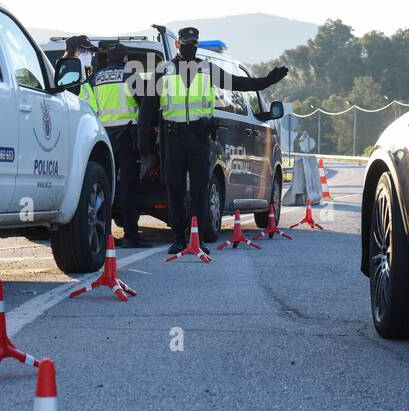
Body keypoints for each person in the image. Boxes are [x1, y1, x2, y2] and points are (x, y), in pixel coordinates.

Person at [144, 26, 288, 254]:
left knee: (200, 190)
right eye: (186, 42)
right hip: (174, 139)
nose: (190, 46)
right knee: (176, 190)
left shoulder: (206, 69)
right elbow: (148, 106)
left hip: (200, 139)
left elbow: (239, 83)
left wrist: (266, 82)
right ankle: (180, 238)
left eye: (193, 43)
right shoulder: (164, 70)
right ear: (177, 44)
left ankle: (197, 239)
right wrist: (144, 138)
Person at [91, 41, 149, 248]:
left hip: (103, 137)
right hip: (126, 137)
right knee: (128, 187)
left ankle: (105, 235)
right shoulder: (130, 75)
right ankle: (131, 235)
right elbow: (146, 104)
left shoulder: (96, 78)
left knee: (104, 188)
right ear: (125, 58)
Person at [62, 34, 98, 113]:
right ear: (71, 52)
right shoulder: (68, 78)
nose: (89, 55)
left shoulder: (84, 77)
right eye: (84, 51)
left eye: (90, 52)